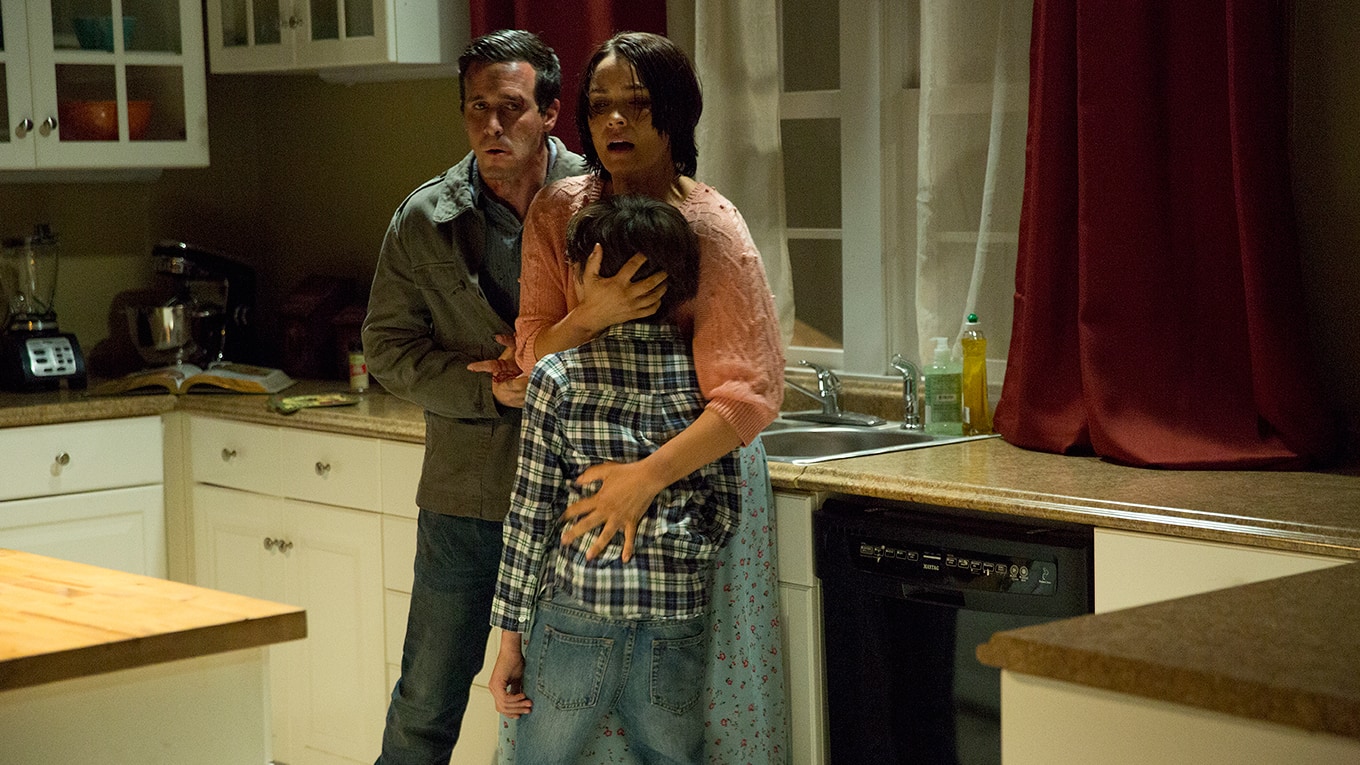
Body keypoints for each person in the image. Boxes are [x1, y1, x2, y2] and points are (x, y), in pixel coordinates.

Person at [497, 30, 789, 764]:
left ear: (676, 114)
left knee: (683, 723)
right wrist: (590, 315)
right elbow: (532, 351)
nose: (615, 120)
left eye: (638, 103)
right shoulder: (558, 212)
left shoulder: (711, 227)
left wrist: (644, 481)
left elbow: (744, 400)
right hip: (584, 481)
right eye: (599, 106)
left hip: (688, 478)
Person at [360, 29, 586, 764]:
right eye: (477, 108)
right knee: (426, 700)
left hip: (578, 493)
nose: (492, 124)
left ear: (549, 112)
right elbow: (386, 348)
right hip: (466, 493)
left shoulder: (598, 203)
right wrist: (487, 389)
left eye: (511, 107)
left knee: (570, 702)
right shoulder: (425, 217)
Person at [489, 193, 733, 764]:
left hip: (576, 611)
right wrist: (667, 548)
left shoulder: (557, 375)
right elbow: (722, 513)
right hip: (676, 616)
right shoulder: (706, 376)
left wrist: (509, 641)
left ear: (583, 277)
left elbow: (529, 515)